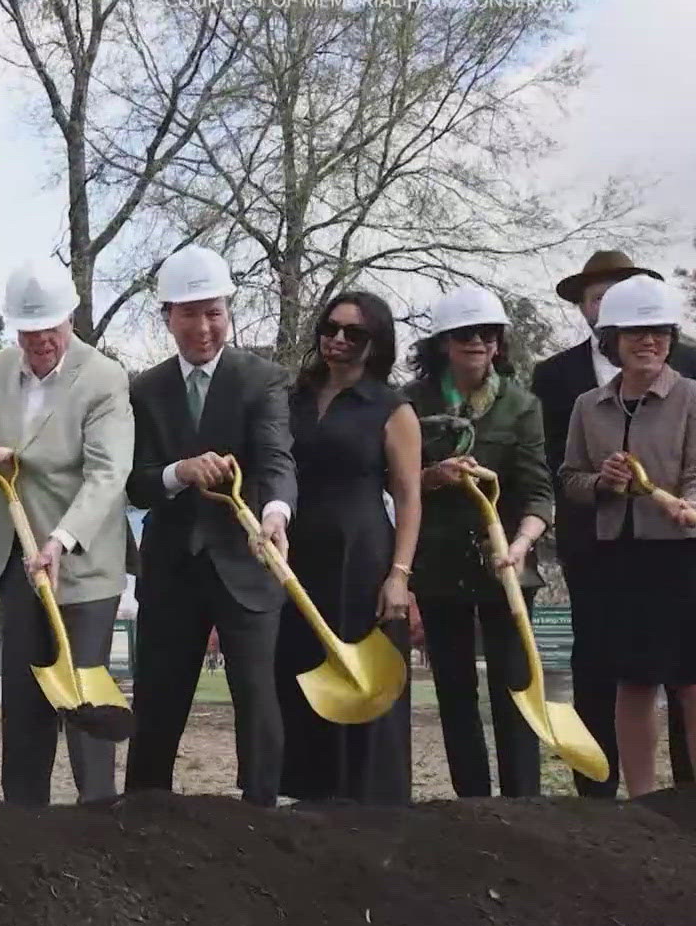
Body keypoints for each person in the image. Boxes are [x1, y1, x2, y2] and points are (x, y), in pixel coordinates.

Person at [124, 245, 296, 808]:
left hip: (247, 560)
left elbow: (275, 459)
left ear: (229, 310)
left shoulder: (262, 379)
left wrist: (274, 516)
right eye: (190, 314)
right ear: (167, 316)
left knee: (256, 695)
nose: (203, 327)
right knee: (158, 696)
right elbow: (137, 481)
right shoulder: (144, 390)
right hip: (172, 566)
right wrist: (180, 472)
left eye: (214, 312)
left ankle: (262, 811)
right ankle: (147, 810)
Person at [0, 262, 133, 805]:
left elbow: (108, 474)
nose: (38, 343)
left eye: (49, 331)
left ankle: (98, 814)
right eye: (27, 333)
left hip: (80, 567)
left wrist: (60, 540)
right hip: (16, 562)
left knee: (85, 703)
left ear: (70, 319)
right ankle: (23, 823)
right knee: (24, 704)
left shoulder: (104, 377)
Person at [532, 249, 696, 797]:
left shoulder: (692, 398)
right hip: (614, 557)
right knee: (632, 679)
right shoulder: (586, 405)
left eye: (657, 333)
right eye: (634, 334)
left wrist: (685, 503)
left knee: (689, 680)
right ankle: (645, 801)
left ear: (670, 338)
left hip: (680, 554)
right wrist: (603, 482)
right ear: (613, 340)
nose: (647, 342)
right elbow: (569, 478)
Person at [277, 292, 421, 804]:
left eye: (353, 333)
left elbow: (408, 495)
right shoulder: (292, 398)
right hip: (293, 557)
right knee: (299, 670)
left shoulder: (392, 407)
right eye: (330, 328)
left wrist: (400, 575)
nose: (337, 340)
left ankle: (370, 803)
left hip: (360, 556)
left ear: (375, 343)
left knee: (362, 674)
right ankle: (307, 796)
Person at [405, 285, 550, 798]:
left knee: (515, 688)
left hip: (506, 566)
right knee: (455, 691)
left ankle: (523, 804)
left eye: (487, 334)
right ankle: (471, 805)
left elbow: (538, 493)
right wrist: (433, 476)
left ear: (498, 343)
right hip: (439, 566)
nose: (477, 342)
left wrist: (520, 544)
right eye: (465, 334)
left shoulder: (521, 405)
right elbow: (391, 483)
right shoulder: (412, 403)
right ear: (443, 343)